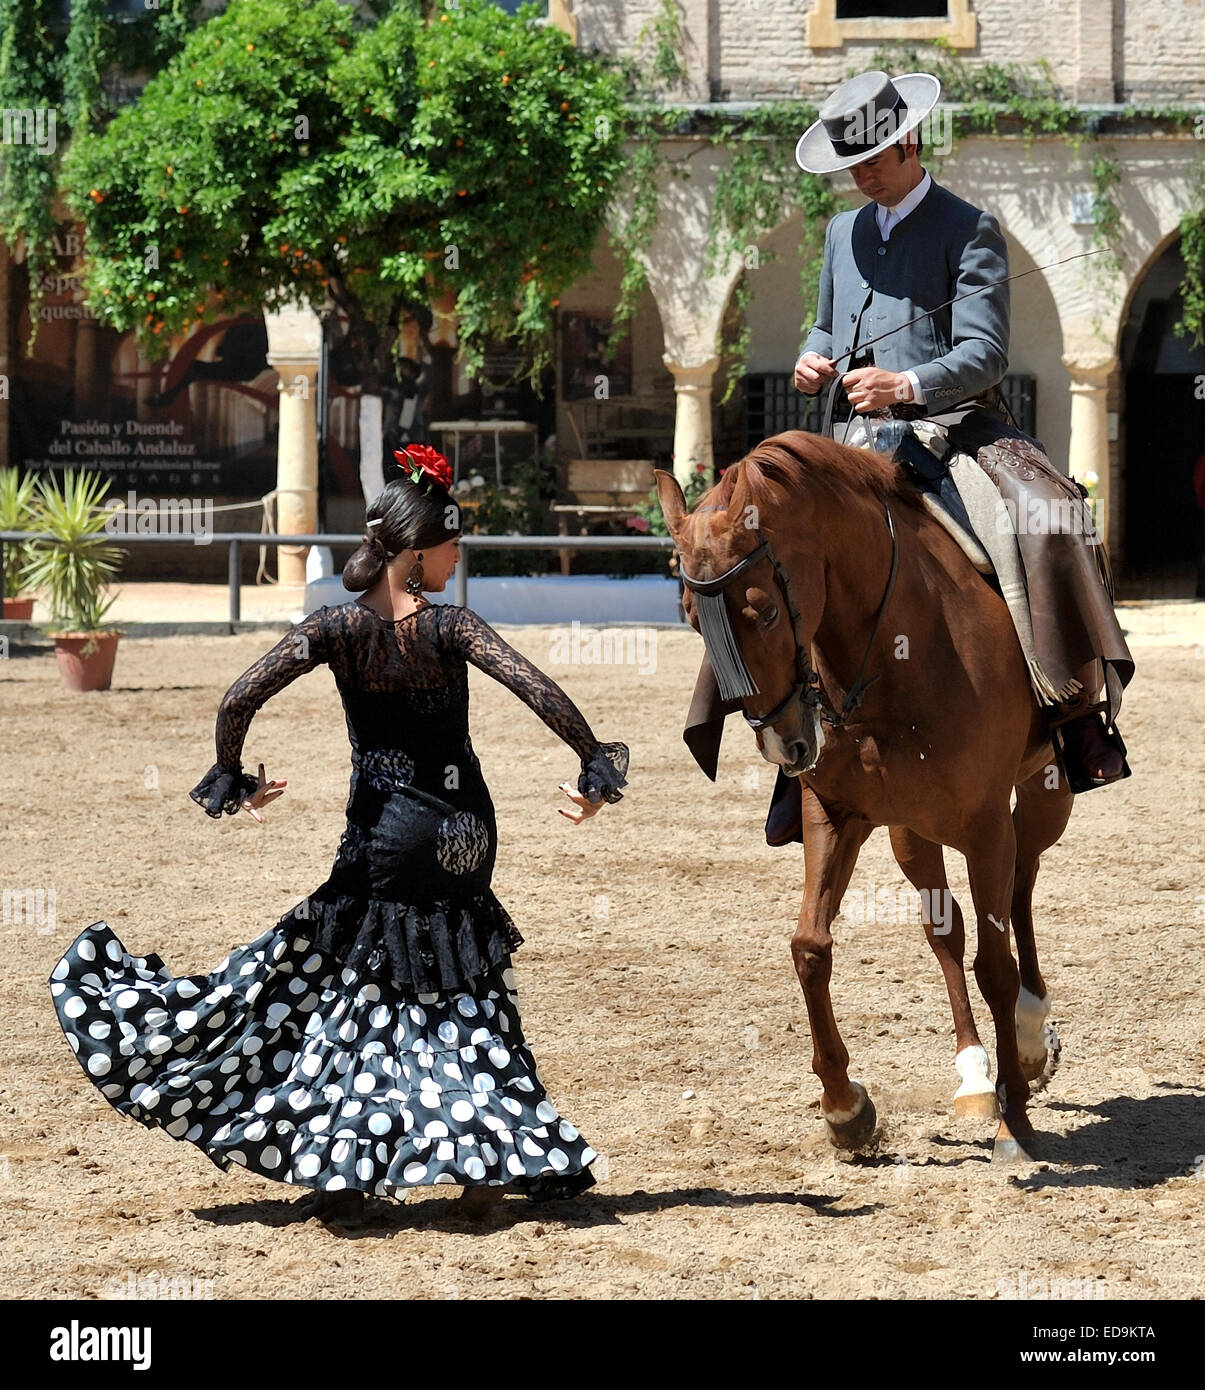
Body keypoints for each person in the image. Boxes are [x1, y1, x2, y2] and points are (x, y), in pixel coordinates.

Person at [48, 444, 630, 1225]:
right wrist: (593, 766)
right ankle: (488, 1169)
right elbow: (538, 689)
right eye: (452, 545)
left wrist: (235, 778)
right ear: (418, 553)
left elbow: (236, 699)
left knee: (362, 999)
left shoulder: (334, 630)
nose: (458, 557)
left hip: (383, 834)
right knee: (467, 992)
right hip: (462, 832)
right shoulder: (452, 627)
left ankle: (344, 1172)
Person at [756, 69, 1133, 845]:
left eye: (872, 159)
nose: (860, 174)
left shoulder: (970, 227)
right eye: (849, 162)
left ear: (909, 141)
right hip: (854, 443)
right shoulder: (840, 233)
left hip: (954, 431)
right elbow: (827, 327)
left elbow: (985, 352)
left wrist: (906, 383)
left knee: (1044, 515)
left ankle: (1070, 713)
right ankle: (792, 758)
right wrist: (810, 356)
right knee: (755, 546)